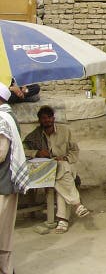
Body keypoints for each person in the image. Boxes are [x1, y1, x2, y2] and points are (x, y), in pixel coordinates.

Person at [23, 105, 89, 233]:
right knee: (62, 180)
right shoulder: (35, 134)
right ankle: (72, 209)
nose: (47, 121)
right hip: (48, 170)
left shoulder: (65, 131)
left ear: (53, 118)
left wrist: (65, 158)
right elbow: (23, 148)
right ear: (40, 120)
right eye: (43, 118)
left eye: (49, 118)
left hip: (66, 165)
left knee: (61, 168)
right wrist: (36, 152)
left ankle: (64, 218)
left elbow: (74, 150)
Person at [0, 82, 28, 274]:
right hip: (5, 182)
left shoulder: (3, 120)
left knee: (3, 230)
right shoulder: (8, 116)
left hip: (3, 183)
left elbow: (0, 153)